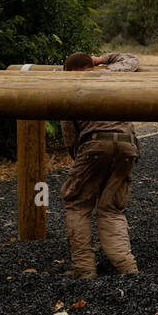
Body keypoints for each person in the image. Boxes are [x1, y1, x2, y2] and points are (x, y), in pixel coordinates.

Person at [59, 51, 141, 279]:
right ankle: (127, 266)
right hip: (127, 144)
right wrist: (101, 60)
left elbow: (70, 137)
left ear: (67, 72)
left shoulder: (68, 86)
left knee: (76, 202)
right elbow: (132, 59)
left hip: (93, 144)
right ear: (91, 66)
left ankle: (84, 269)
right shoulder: (112, 73)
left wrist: (82, 165)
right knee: (112, 208)